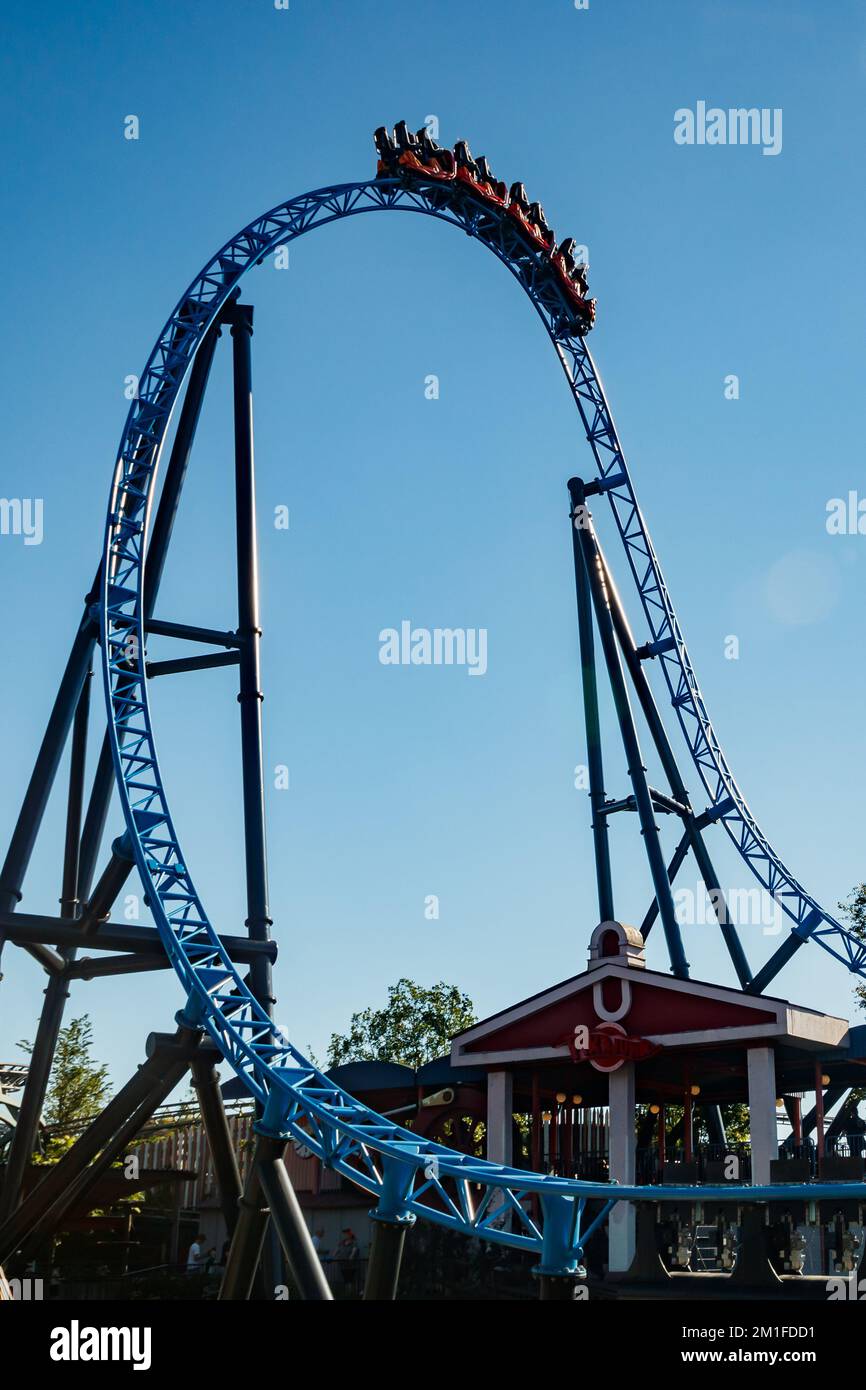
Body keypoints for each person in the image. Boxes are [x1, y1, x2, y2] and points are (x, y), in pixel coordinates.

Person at [334, 1227, 360, 1292]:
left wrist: (351, 1256)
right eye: (344, 1234)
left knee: (350, 1279)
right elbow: (337, 1249)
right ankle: (347, 1292)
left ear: (349, 1234)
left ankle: (350, 1292)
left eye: (346, 1234)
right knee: (345, 1279)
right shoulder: (342, 1242)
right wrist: (335, 1254)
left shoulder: (354, 1242)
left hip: (351, 1265)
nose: (345, 1235)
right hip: (342, 1265)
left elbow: (354, 1249)